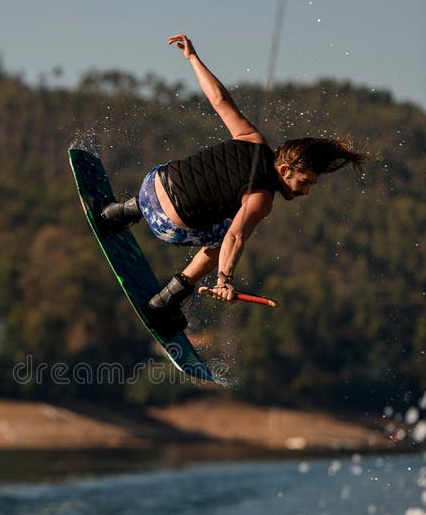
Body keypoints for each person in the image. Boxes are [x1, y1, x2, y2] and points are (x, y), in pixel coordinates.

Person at [99, 34, 367, 337]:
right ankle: (165, 301)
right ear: (284, 169)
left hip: (150, 186)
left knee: (187, 173)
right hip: (167, 224)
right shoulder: (261, 198)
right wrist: (223, 280)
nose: (305, 191)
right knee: (223, 232)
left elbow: (219, 100)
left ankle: (117, 214)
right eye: (304, 182)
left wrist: (192, 58)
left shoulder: (251, 137)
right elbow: (235, 237)